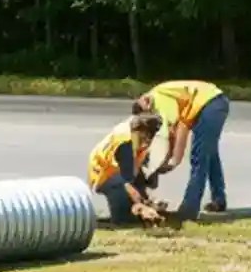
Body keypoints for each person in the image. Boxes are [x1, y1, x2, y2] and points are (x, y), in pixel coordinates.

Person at [132, 80, 230, 221]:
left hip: (211, 103)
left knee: (199, 157)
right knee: (209, 153)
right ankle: (219, 199)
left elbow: (179, 129)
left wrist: (174, 161)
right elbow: (169, 135)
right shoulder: (155, 100)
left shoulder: (159, 101)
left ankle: (189, 210)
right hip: (212, 101)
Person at [87, 113, 164, 224]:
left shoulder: (136, 133)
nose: (150, 140)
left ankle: (140, 211)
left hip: (118, 168)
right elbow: (126, 178)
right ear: (143, 132)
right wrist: (137, 199)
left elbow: (135, 168)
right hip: (104, 172)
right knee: (123, 210)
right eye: (149, 136)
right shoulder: (125, 142)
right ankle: (121, 219)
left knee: (139, 188)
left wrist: (146, 198)